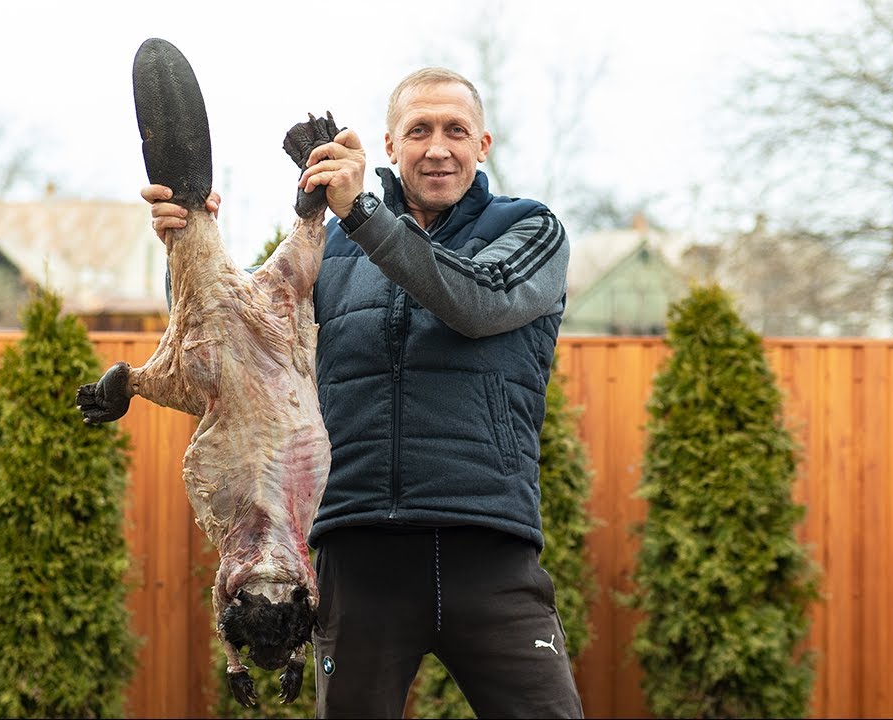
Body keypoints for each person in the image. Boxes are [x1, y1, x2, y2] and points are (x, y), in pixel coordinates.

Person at [144, 67, 583, 719]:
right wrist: (187, 246)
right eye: (419, 130)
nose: (438, 147)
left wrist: (363, 214)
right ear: (389, 144)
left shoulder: (531, 232)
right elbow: (238, 341)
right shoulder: (332, 247)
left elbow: (476, 302)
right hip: (358, 556)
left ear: (483, 144)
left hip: (490, 557)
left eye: (455, 130)